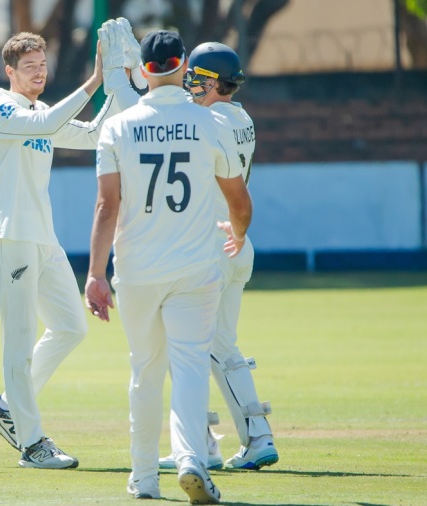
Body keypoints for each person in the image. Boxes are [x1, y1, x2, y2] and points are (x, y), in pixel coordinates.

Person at [84, 31, 252, 502]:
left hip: (136, 270)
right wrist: (237, 236)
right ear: (183, 68)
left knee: (145, 372)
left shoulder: (117, 126)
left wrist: (96, 274)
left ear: (144, 70)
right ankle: (191, 459)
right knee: (192, 367)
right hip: (196, 269)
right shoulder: (210, 123)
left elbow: (105, 206)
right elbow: (239, 201)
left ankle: (142, 477)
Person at [0, 20, 143, 469]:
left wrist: (118, 83)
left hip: (42, 238)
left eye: (42, 66)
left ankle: (7, 407)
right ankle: (32, 444)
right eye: (29, 67)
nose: (38, 73)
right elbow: (49, 121)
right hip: (10, 235)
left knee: (71, 326)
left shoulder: (39, 110)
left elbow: (92, 136)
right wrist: (94, 79)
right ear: (9, 71)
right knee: (20, 340)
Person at [157, 42, 278, 472]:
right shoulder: (240, 116)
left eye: (193, 77)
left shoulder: (205, 121)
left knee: (182, 347)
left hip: (207, 244)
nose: (186, 83)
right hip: (236, 242)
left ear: (208, 82)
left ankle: (200, 443)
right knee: (222, 346)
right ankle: (257, 437)